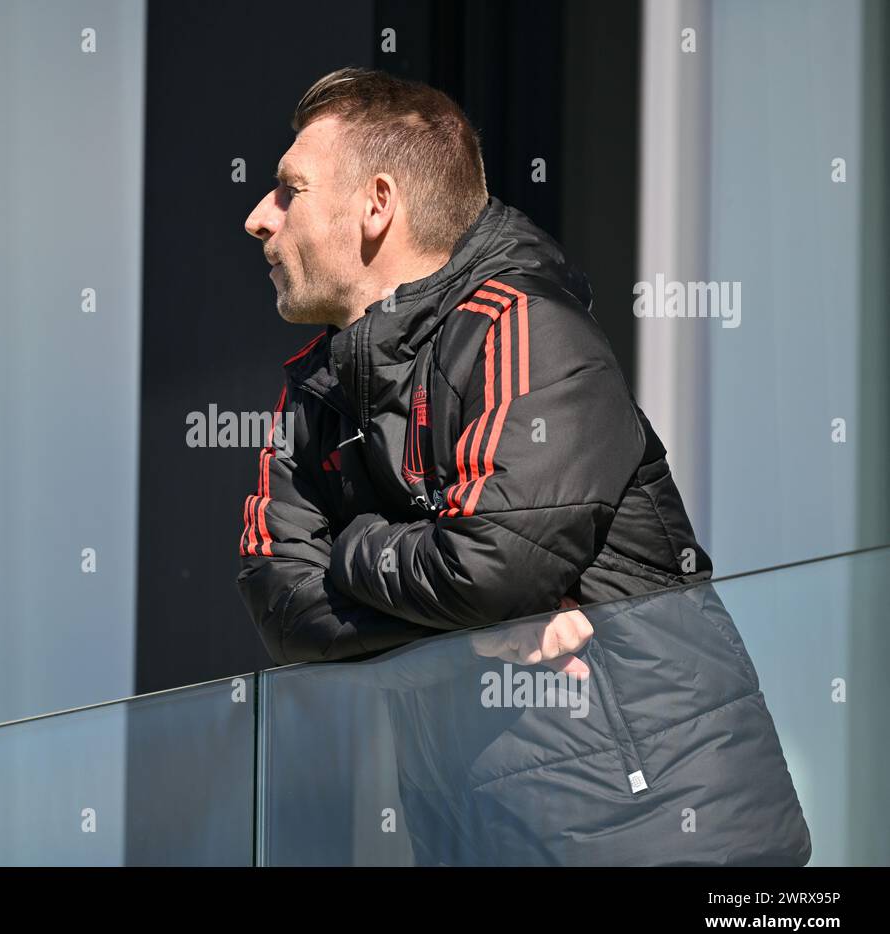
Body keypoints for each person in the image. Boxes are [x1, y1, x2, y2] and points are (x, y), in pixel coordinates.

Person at [235, 66, 810, 865]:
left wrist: (354, 549)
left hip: (661, 839)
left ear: (377, 205)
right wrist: (466, 641)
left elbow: (492, 570)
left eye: (289, 189)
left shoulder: (524, 325)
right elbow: (277, 602)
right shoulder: (318, 386)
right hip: (477, 840)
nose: (258, 218)